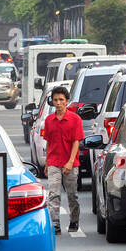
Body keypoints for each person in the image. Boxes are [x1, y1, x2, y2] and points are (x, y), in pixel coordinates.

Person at [41, 86, 82, 234]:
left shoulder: (75, 119)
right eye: (55, 100)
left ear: (67, 101)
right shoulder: (49, 120)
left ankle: (74, 220)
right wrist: (46, 163)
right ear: (52, 102)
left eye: (61, 100)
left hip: (70, 163)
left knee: (72, 195)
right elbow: (48, 142)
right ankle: (55, 224)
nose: (58, 103)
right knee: (53, 193)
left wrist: (70, 162)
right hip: (53, 163)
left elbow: (76, 141)